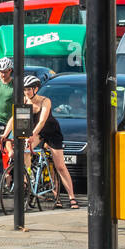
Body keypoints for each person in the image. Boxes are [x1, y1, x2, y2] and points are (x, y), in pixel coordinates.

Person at [22, 74, 78, 209]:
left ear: (36, 89)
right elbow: (17, 120)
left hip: (52, 133)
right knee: (24, 149)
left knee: (59, 166)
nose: (27, 92)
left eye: (29, 89)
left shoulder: (45, 101)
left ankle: (72, 198)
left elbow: (42, 121)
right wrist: (11, 135)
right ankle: (29, 180)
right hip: (39, 133)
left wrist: (32, 134)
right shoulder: (24, 101)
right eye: (25, 89)